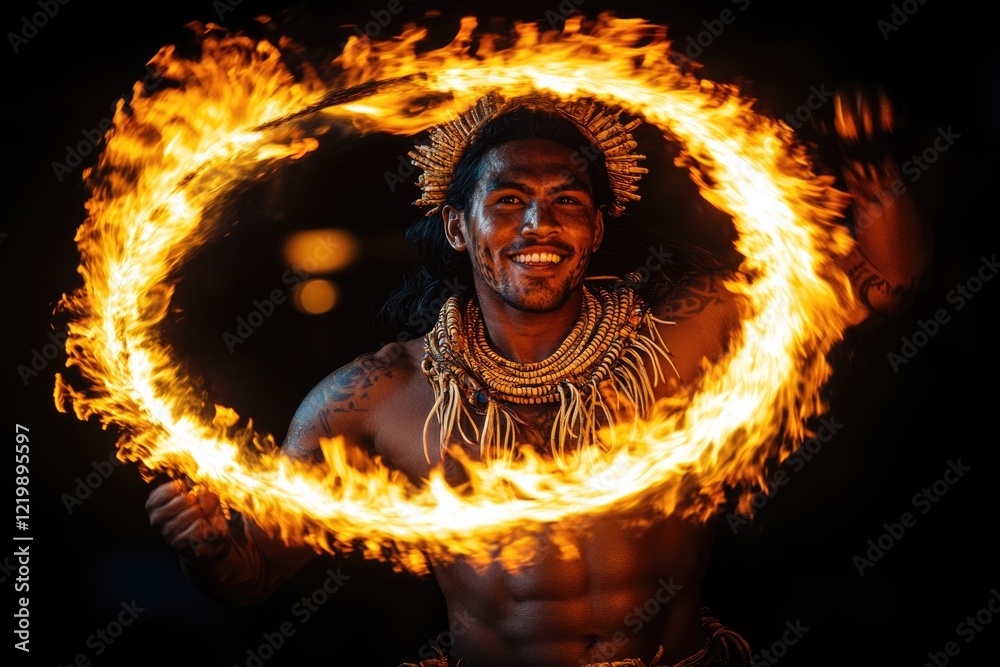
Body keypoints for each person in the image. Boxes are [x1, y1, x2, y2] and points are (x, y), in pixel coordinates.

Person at [145, 88, 932, 667]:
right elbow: (252, 576)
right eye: (509, 201)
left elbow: (882, 286)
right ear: (459, 227)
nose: (538, 225)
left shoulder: (691, 329)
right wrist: (208, 548)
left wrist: (874, 177)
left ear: (596, 227)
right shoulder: (376, 397)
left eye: (567, 202)